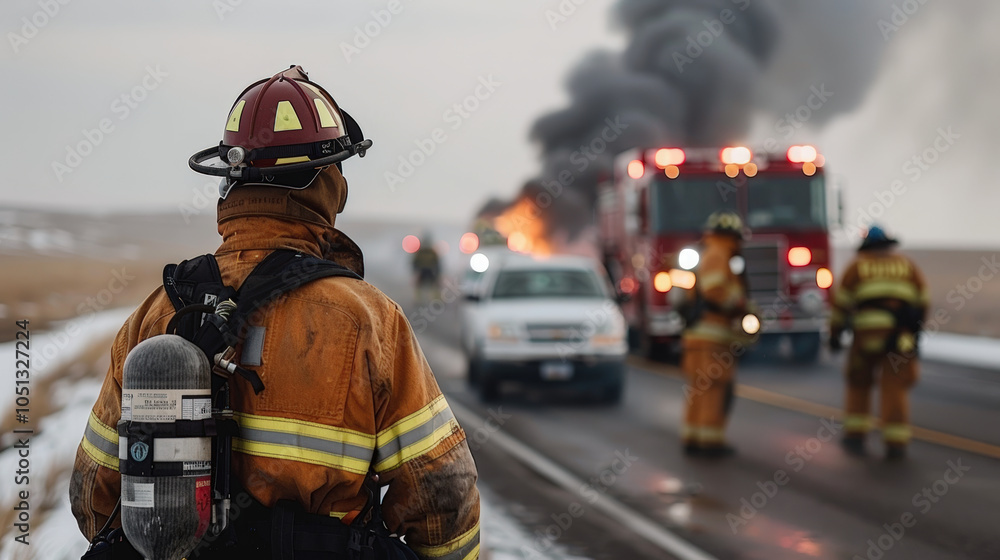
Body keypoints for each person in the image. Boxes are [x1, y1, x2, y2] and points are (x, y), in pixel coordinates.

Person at [70, 66, 480, 559]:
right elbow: (444, 494)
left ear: (231, 183)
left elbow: (93, 494)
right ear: (325, 182)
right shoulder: (369, 321)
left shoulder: (154, 315)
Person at [829, 225, 927, 460]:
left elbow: (841, 304)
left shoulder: (857, 266)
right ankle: (896, 442)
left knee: (858, 382)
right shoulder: (908, 266)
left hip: (866, 337)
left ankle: (855, 435)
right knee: (894, 386)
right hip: (900, 337)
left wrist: (835, 334)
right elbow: (923, 300)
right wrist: (915, 332)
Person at [680, 211, 752, 457]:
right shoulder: (719, 254)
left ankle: (693, 436)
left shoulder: (709, 252)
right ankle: (710, 442)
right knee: (714, 389)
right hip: (712, 337)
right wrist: (741, 304)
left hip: (700, 336)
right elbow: (715, 291)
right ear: (732, 236)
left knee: (700, 389)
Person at [411, 233, 441, 304]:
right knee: (420, 286)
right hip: (424, 271)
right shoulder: (423, 252)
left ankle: (435, 300)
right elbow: (415, 263)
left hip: (428, 271)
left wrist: (437, 273)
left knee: (433, 286)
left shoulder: (429, 252)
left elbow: (437, 263)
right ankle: (419, 300)